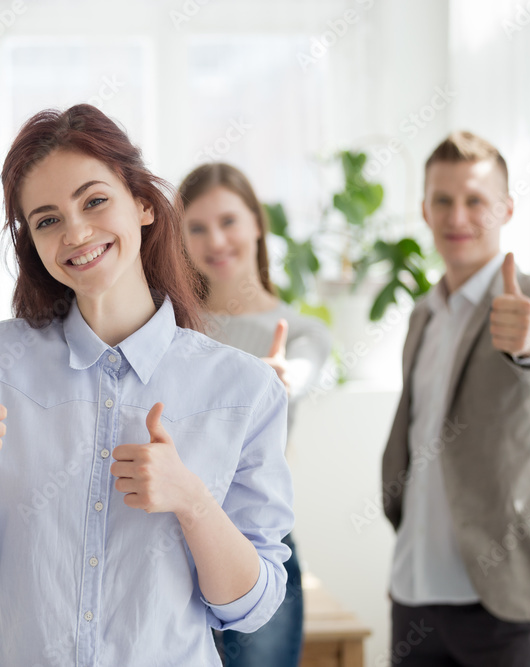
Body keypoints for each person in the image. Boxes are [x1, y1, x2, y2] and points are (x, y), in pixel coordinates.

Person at [0, 104, 295, 666]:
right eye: (47, 219)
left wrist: (192, 502)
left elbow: (251, 607)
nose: (76, 232)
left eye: (95, 200)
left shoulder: (242, 388)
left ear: (144, 204)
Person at [381, 131, 530, 666]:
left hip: (512, 597)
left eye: (475, 200)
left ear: (506, 208)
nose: (457, 215)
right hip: (416, 592)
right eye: (443, 200)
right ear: (424, 209)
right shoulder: (423, 313)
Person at [179, 162, 331, 667]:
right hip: (171, 541)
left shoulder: (301, 333)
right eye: (197, 228)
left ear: (257, 224)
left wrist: (274, 383)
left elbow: (298, 373)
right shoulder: (172, 330)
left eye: (228, 221)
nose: (215, 240)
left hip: (260, 538)